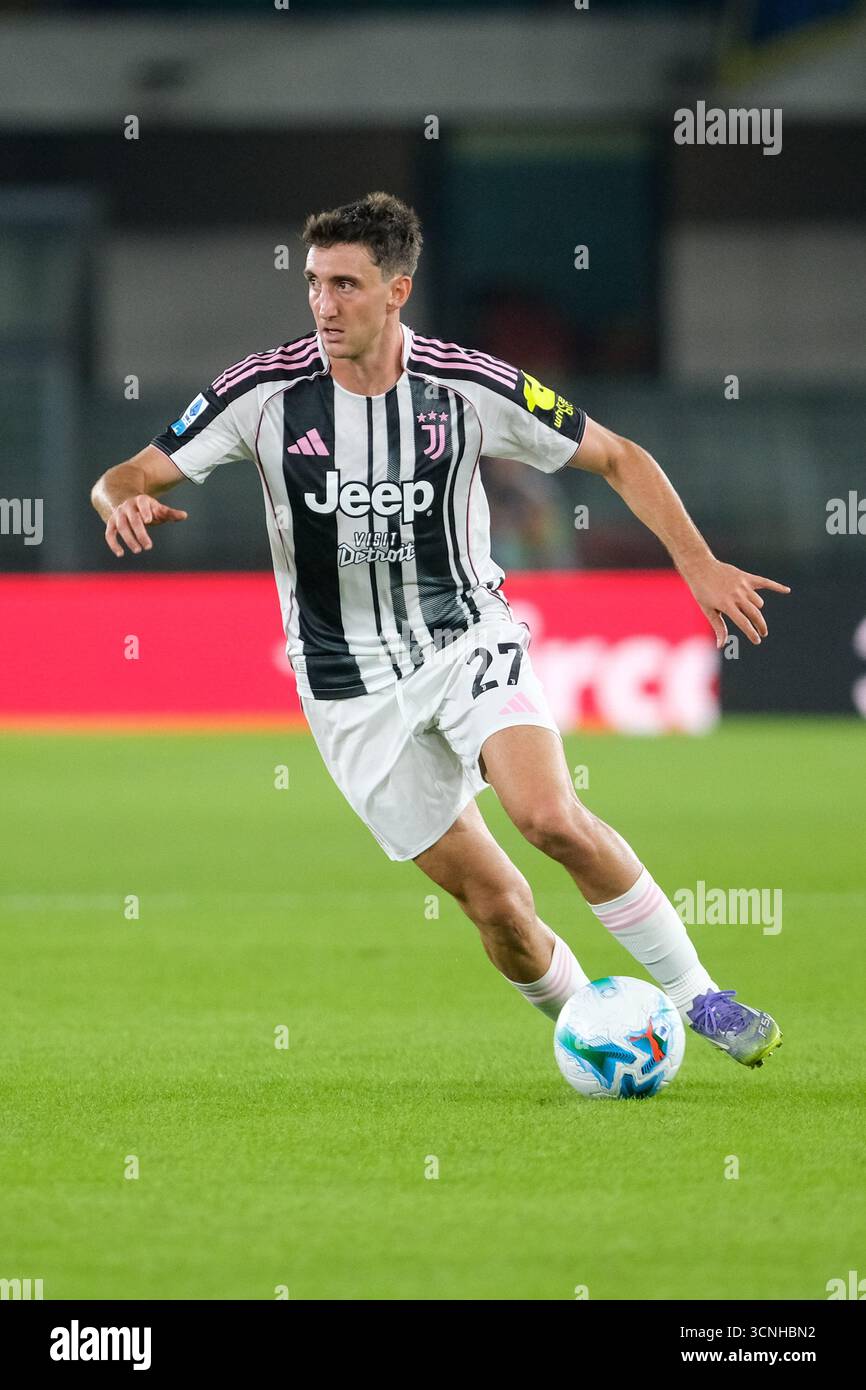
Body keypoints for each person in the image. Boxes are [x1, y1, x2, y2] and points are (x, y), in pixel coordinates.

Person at [91, 192, 790, 1067]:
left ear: (397, 290)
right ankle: (599, 1032)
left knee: (551, 818)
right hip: (346, 688)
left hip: (464, 639)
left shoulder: (470, 385)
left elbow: (619, 456)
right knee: (500, 909)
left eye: (346, 284)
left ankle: (702, 1000)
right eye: (313, 283)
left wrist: (697, 563)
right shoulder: (262, 393)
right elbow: (128, 470)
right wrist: (121, 501)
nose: (323, 305)